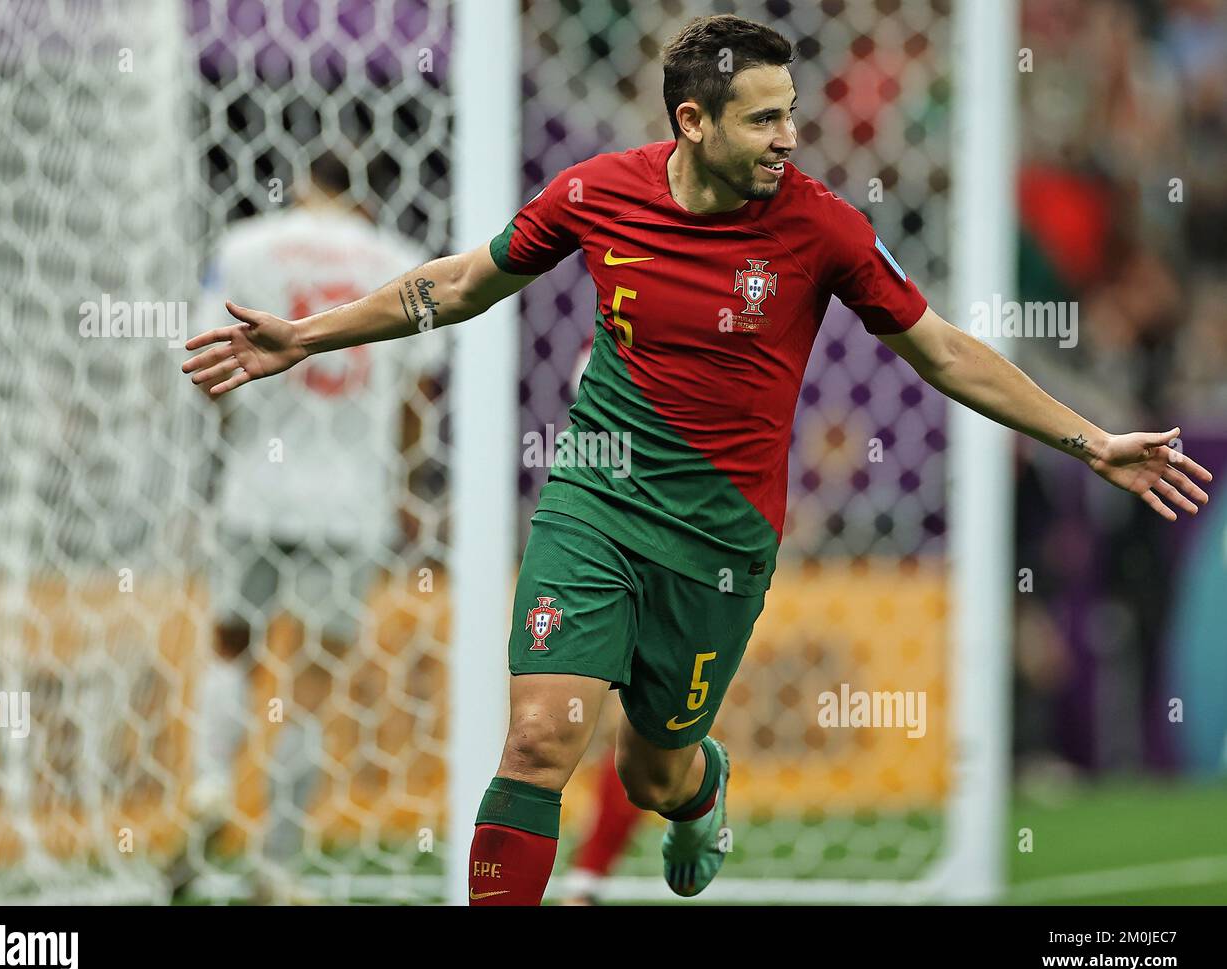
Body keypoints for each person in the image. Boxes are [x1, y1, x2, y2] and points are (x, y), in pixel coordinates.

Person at [182, 15, 1212, 905]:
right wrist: (303, 338)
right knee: (538, 738)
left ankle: (699, 789)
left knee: (652, 771)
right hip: (591, 498)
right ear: (692, 124)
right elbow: (459, 283)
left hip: (720, 540)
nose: (787, 137)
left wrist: (1088, 439)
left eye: (790, 112)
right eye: (763, 119)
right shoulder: (596, 194)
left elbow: (939, 348)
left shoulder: (820, 225)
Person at [176, 151, 436, 903]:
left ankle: (209, 786)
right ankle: (278, 865)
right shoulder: (398, 261)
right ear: (368, 199)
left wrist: (238, 434)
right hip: (350, 500)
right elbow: (417, 394)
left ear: (300, 186)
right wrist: (409, 480)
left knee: (231, 643)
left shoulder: (247, 246)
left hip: (257, 482)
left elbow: (209, 369)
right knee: (314, 684)